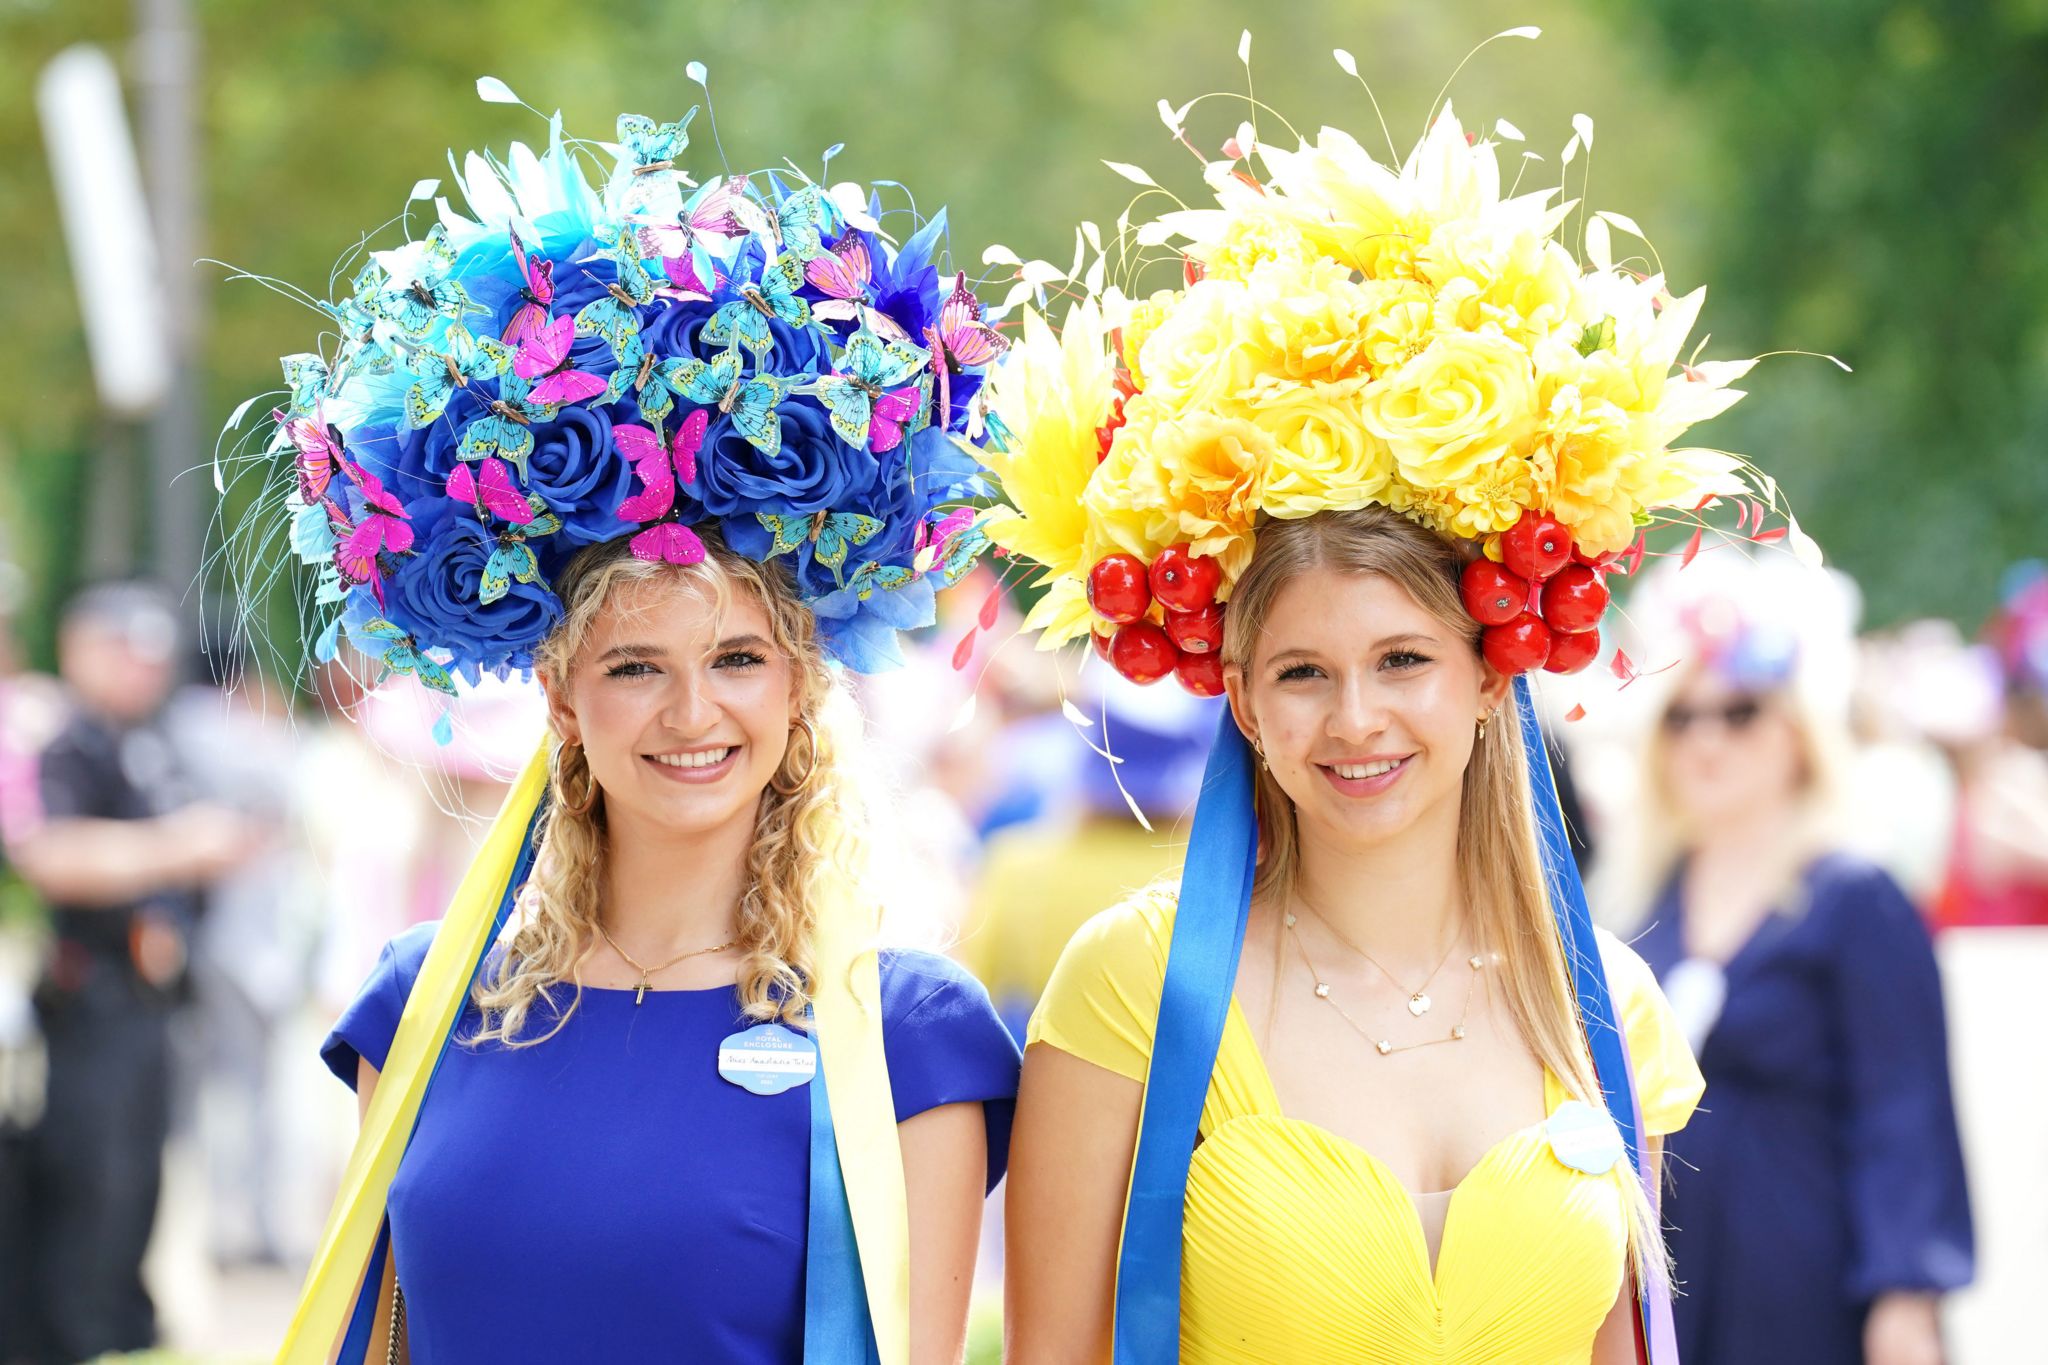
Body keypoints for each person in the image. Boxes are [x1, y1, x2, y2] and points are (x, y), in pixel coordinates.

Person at [975, 50, 1777, 1363]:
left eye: (1403, 660)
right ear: (1238, 696)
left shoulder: (1608, 1007)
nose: (1356, 719)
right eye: (1303, 672)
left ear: (1489, 679)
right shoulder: (1130, 987)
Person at [250, 99, 1017, 1363]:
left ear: (798, 687)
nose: (691, 712)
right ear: (560, 698)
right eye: (634, 667)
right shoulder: (423, 1005)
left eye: (733, 660)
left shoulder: (909, 1038)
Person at [1620, 557, 1974, 1365]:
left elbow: (1905, 1113)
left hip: (1812, 1293)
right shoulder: (1645, 908)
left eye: (1739, 712)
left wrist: (1906, 1300)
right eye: (1682, 718)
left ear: (1797, 731)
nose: (1706, 739)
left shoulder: (1857, 896)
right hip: (1679, 1293)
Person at [9, 582, 256, 1362]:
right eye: (124, 649)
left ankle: (119, 1324)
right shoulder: (67, 741)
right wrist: (179, 846)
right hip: (94, 993)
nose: (141, 668)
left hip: (154, 997)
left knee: (142, 1181)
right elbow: (54, 855)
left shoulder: (150, 741)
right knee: (93, 1180)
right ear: (81, 649)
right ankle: (72, 1333)